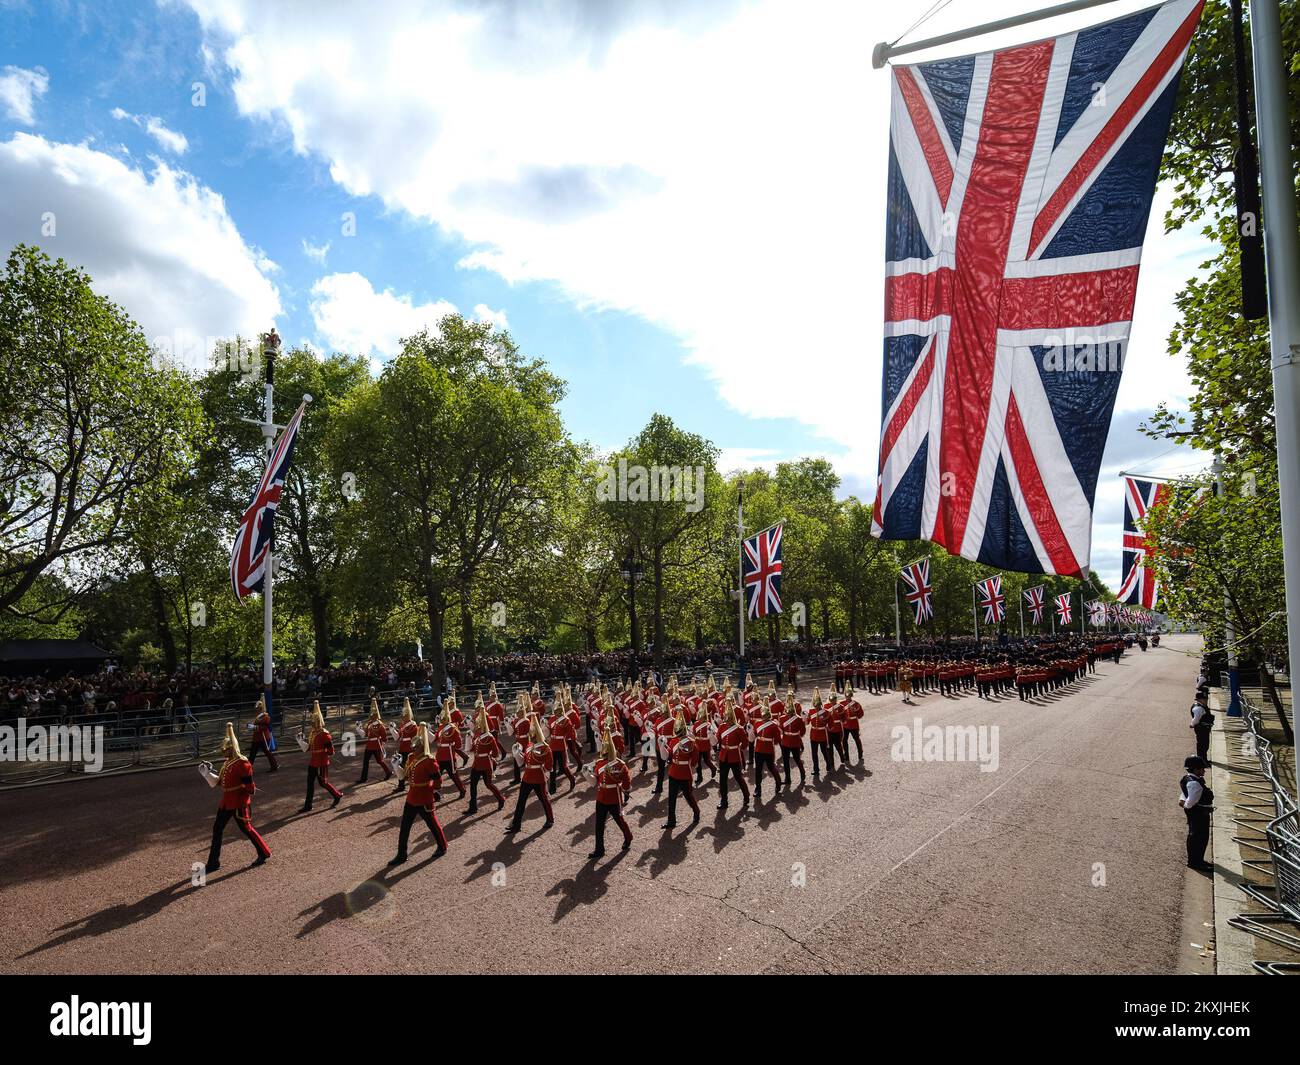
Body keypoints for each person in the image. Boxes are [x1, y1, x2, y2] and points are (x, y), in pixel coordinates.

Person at [200, 722, 270, 872]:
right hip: (226, 802)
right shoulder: (228, 763)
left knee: (247, 829)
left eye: (226, 750)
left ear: (232, 749)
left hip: (239, 803)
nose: (223, 753)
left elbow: (250, 789)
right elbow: (222, 782)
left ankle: (264, 852)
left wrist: (245, 787)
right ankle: (213, 863)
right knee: (217, 829)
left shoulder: (243, 763)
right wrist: (209, 771)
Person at [389, 723, 447, 865]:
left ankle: (442, 846)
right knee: (404, 827)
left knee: (432, 824)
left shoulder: (430, 761)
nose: (413, 749)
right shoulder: (411, 757)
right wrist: (397, 766)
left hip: (425, 797)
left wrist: (432, 790)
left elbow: (438, 780)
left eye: (416, 747)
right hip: (412, 797)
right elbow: (405, 777)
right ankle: (401, 854)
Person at [588, 732, 633, 860]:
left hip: (614, 797)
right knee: (599, 824)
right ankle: (599, 849)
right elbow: (595, 781)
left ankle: (628, 837)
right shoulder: (600, 763)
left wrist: (625, 792)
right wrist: (587, 775)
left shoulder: (620, 765)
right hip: (601, 796)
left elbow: (626, 782)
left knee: (620, 821)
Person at [507, 716, 555, 833]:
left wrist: (544, 772)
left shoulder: (545, 748)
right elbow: (526, 761)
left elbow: (549, 765)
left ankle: (550, 819)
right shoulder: (529, 745)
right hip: (527, 776)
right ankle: (516, 824)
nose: (531, 737)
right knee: (521, 801)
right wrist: (519, 754)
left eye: (533, 735)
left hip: (538, 777)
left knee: (544, 799)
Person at [298, 703, 342, 812]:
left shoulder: (324, 734)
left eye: (313, 722)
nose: (311, 724)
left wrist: (324, 752)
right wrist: (300, 741)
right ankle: (308, 805)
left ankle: (337, 795)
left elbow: (331, 751)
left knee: (323, 783)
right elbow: (309, 748)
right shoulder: (313, 733)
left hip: (321, 761)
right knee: (310, 783)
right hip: (313, 761)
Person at [663, 714, 701, 831]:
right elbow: (669, 757)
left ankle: (696, 811)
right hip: (674, 772)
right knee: (671, 798)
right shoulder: (673, 741)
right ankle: (671, 820)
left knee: (688, 796)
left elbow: (694, 762)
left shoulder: (691, 743)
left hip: (685, 773)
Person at [466, 709, 506, 814]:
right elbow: (472, 749)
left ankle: (501, 798)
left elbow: (496, 753)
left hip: (485, 764)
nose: (477, 727)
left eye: (478, 725)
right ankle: (473, 807)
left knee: (489, 784)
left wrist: (489, 756)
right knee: (473, 785)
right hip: (476, 764)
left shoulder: (489, 737)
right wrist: (469, 739)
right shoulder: (478, 735)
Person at [1179, 756, 1213, 872]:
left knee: (1201, 836)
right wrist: (1186, 805)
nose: (1204, 770)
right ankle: (1195, 862)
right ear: (1195, 769)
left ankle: (1199, 859)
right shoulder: (1195, 783)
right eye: (1201, 768)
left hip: (1197, 812)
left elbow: (1185, 794)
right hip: (1198, 812)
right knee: (1198, 837)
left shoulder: (1188, 779)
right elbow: (1190, 802)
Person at [716, 703, 750, 811]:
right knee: (722, 779)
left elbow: (745, 743)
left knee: (738, 777)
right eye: (726, 718)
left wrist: (737, 748)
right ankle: (724, 800)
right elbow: (718, 739)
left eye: (729, 718)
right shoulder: (722, 726)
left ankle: (746, 795)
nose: (727, 720)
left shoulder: (739, 729)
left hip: (734, 756)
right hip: (723, 756)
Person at [752, 701, 782, 800]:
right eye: (763, 715)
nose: (764, 717)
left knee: (771, 768)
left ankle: (778, 782)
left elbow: (778, 740)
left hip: (768, 749)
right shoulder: (757, 723)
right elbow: (755, 735)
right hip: (758, 749)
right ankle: (758, 788)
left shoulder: (773, 725)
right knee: (758, 770)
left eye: (765, 715)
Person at [358, 700, 393, 783]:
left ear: (376, 715)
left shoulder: (380, 725)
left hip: (377, 745)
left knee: (380, 761)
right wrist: (358, 729)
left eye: (373, 714)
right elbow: (365, 735)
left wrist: (380, 741)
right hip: (369, 745)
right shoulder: (369, 724)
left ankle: (388, 772)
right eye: (371, 714)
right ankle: (364, 778)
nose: (371, 716)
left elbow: (384, 738)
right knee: (365, 762)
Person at [394, 698, 418, 793]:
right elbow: (398, 736)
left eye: (404, 715)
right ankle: (401, 785)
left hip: (409, 749)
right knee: (399, 766)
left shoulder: (413, 725)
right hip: (402, 748)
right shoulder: (403, 724)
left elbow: (415, 739)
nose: (402, 717)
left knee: (410, 767)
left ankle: (414, 784)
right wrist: (392, 730)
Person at [248, 696, 278, 771]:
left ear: (260, 708)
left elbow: (264, 727)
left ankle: (274, 766)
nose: (256, 710)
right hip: (257, 738)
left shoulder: (265, 716)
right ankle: (248, 769)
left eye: (257, 708)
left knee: (268, 753)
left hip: (264, 737)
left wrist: (254, 727)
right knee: (252, 754)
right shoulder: (259, 716)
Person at [1190, 691, 1214, 762]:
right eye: (1204, 699)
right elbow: (1196, 719)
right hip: (1201, 728)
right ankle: (1202, 760)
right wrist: (1192, 724)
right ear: (1199, 699)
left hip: (1204, 728)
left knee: (1205, 744)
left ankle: (1204, 759)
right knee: (1202, 745)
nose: (1206, 700)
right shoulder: (1199, 708)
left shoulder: (1201, 706)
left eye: (1206, 699)